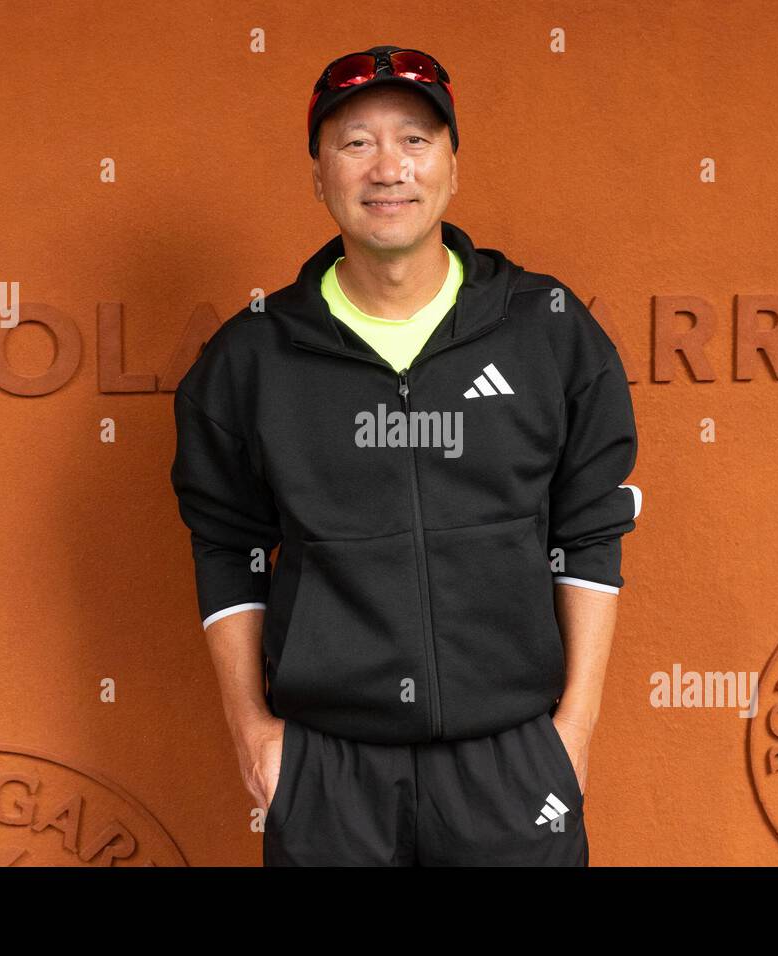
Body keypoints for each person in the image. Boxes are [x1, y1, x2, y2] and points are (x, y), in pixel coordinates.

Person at [170, 44, 642, 866]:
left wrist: (572, 733)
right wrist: (255, 735)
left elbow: (592, 528)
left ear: (454, 165)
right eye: (355, 142)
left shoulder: (549, 331)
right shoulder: (251, 361)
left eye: (416, 140)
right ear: (318, 173)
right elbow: (225, 545)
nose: (388, 167)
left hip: (513, 760)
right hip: (328, 772)